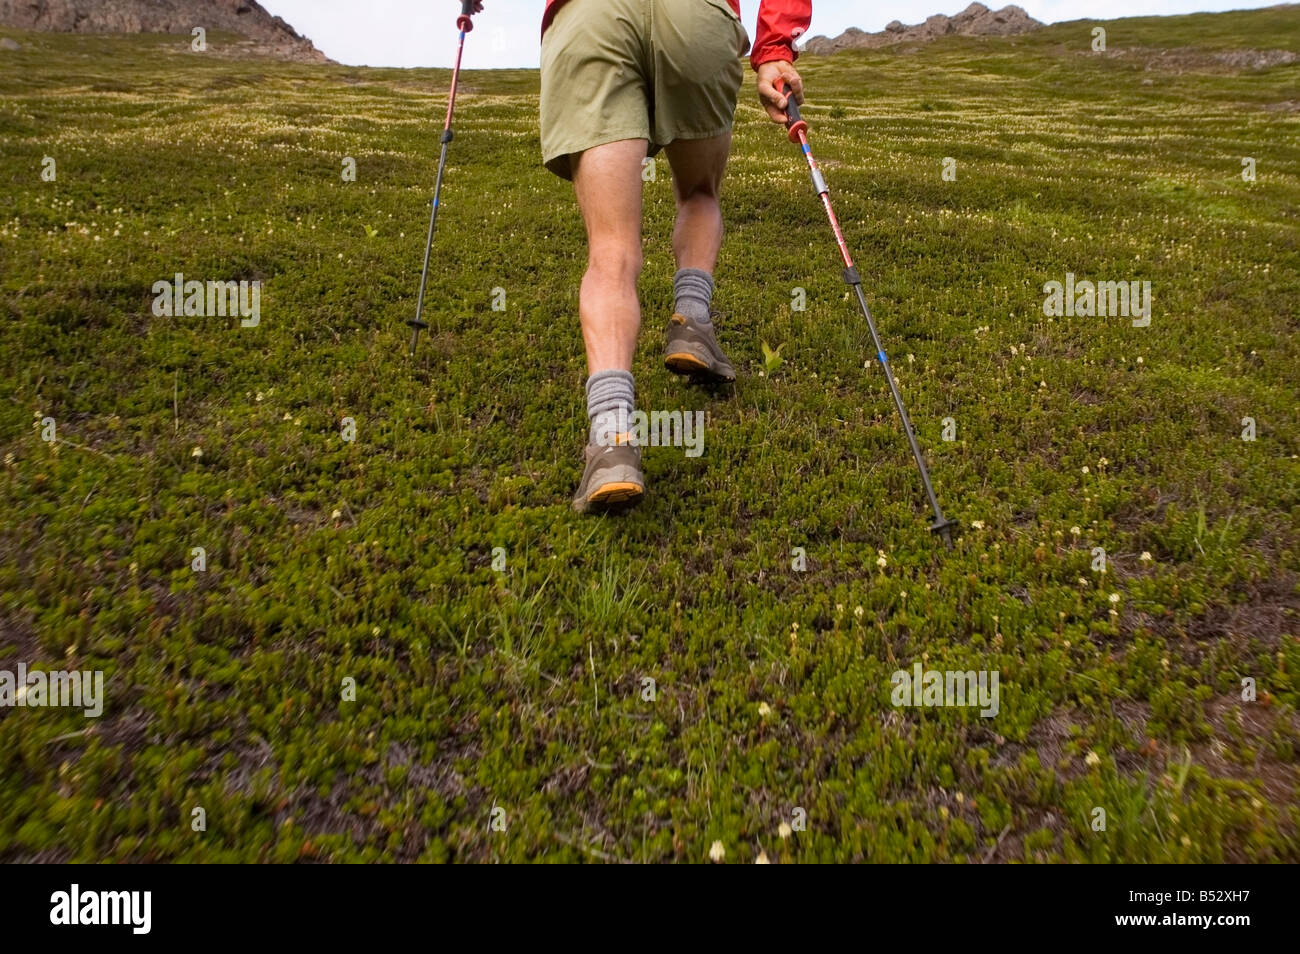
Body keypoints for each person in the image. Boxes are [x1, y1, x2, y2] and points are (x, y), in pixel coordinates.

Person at [536, 0, 812, 512]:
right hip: (695, 18)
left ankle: (613, 438)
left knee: (611, 249)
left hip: (592, 18)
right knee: (699, 193)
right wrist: (775, 49)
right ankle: (692, 321)